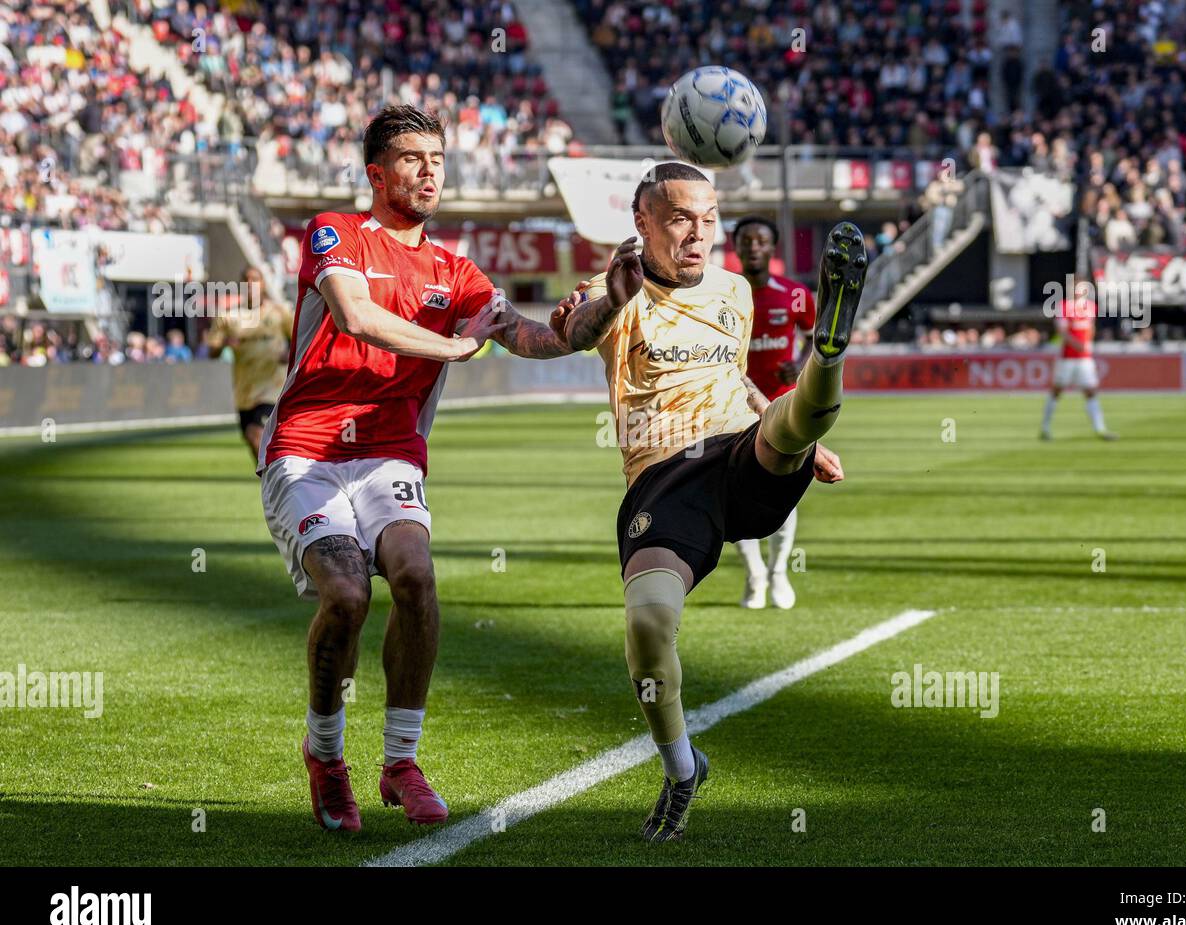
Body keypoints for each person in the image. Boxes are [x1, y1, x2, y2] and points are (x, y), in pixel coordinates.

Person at [258, 104, 571, 833]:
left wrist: (599, 308)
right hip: (308, 449)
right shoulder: (334, 231)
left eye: (437, 157)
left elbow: (522, 333)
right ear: (377, 172)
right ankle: (327, 756)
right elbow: (356, 317)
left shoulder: (455, 270)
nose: (429, 170)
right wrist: (455, 348)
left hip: (389, 453)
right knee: (346, 595)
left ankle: (400, 763)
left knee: (416, 577)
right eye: (411, 158)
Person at [552, 162, 856, 842]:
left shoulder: (733, 292)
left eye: (709, 218)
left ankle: (825, 366)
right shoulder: (615, 290)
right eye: (681, 218)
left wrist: (780, 416)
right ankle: (682, 767)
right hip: (662, 481)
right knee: (649, 629)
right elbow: (568, 336)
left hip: (740, 452)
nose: (699, 232)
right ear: (644, 224)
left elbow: (737, 374)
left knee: (786, 424)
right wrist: (609, 299)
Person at [729, 214, 823, 610]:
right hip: (734, 405)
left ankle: (779, 570)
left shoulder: (795, 294)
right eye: (746, 240)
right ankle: (754, 573)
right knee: (736, 495)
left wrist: (801, 361)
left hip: (785, 407)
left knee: (783, 493)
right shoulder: (725, 294)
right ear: (736, 247)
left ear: (772, 248)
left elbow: (815, 337)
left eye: (761, 240)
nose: (753, 246)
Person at [206, 266, 294, 461]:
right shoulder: (229, 316)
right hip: (244, 392)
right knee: (253, 442)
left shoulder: (280, 312)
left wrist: (289, 354)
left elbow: (300, 339)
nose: (251, 283)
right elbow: (212, 351)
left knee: (257, 435)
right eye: (247, 279)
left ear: (263, 284)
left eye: (255, 279)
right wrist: (223, 344)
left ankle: (277, 479)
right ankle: (271, 483)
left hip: (273, 388)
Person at [1041, 280, 1118, 441]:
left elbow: (1091, 328)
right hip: (1067, 358)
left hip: (1085, 359)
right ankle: (1045, 428)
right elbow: (1062, 332)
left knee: (1091, 391)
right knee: (1056, 391)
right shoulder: (1063, 306)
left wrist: (1087, 344)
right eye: (1075, 287)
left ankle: (1100, 429)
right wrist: (1078, 345)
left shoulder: (1090, 306)